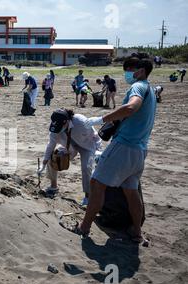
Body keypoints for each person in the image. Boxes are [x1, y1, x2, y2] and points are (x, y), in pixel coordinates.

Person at [76, 57, 157, 244]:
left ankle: (84, 227)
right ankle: (137, 233)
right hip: (140, 150)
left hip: (124, 146)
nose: (127, 73)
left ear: (141, 70)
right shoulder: (151, 91)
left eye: (130, 69)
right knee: (131, 190)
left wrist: (101, 119)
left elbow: (130, 107)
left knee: (96, 183)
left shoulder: (139, 87)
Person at [37, 109, 102, 205]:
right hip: (69, 146)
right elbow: (51, 144)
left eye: (60, 126)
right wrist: (43, 163)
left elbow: (95, 136)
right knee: (53, 157)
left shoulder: (81, 122)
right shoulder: (55, 127)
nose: (57, 128)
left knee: (86, 167)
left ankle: (88, 197)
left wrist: (98, 150)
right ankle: (53, 186)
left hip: (87, 147)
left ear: (66, 122)